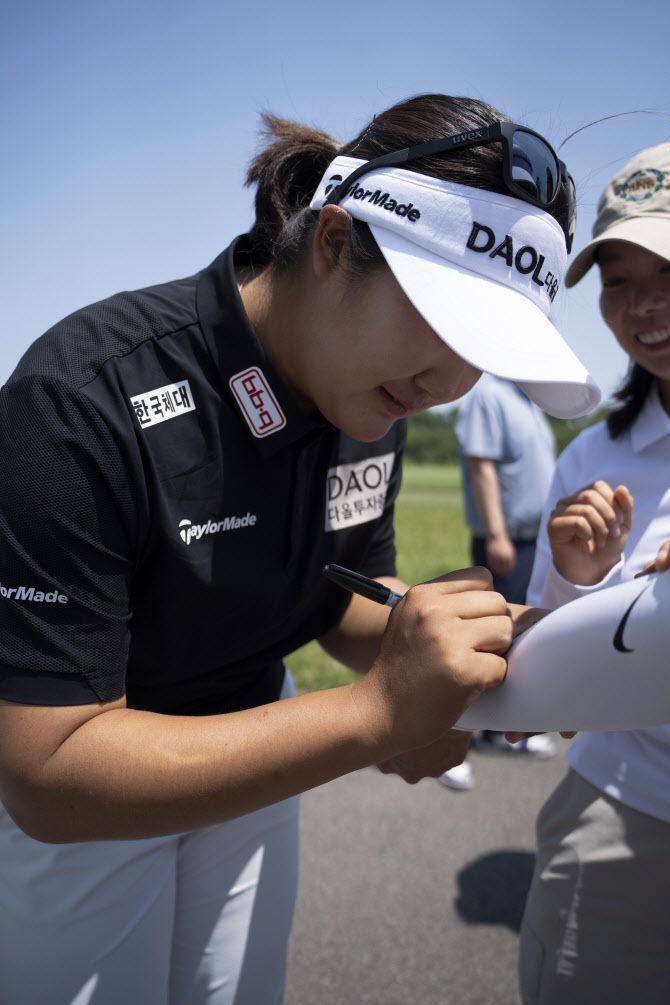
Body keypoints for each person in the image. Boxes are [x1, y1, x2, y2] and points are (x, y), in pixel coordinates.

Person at [0, 94, 597, 1005]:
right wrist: (378, 715)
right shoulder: (81, 400)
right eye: (440, 319)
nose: (449, 381)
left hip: (260, 750)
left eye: (484, 347)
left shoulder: (379, 389)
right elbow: (47, 773)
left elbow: (341, 596)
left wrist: (491, 652)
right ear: (329, 242)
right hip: (96, 803)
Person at [518, 141, 670, 1004]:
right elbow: (559, 701)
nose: (643, 306)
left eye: (668, 268)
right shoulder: (594, 460)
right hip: (627, 813)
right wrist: (579, 582)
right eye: (617, 279)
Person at [440, 375, 557, 790]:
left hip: (531, 540)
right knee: (492, 639)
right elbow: (481, 465)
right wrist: (496, 533)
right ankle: (451, 745)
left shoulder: (527, 398)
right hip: (506, 540)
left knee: (519, 643)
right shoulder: (489, 394)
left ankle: (501, 732)